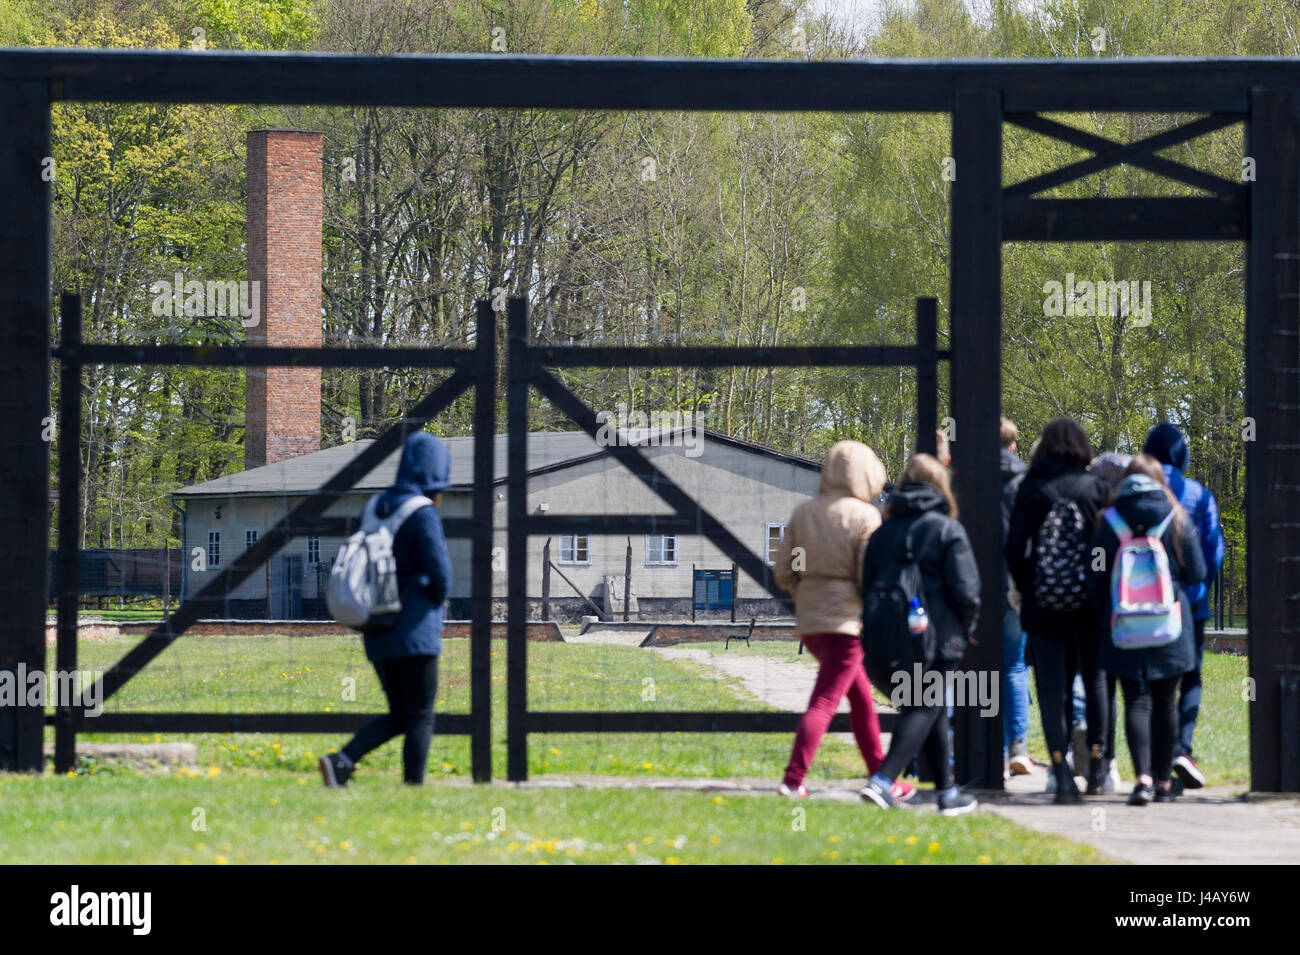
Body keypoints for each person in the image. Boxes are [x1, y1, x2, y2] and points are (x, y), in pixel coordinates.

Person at [776, 441, 913, 801]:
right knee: (824, 702)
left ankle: (882, 777)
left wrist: (808, 591)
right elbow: (867, 575)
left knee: (862, 700)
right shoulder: (865, 516)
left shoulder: (804, 513)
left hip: (811, 621)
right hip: (847, 623)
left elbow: (787, 570)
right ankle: (793, 779)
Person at [320, 432, 454, 787]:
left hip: (376, 627)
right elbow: (441, 575)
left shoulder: (375, 506)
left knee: (400, 714)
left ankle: (341, 762)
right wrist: (433, 595)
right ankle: (413, 787)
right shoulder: (422, 511)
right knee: (421, 715)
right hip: (415, 632)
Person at [858, 454, 981, 816]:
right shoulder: (947, 529)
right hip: (937, 638)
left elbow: (865, 586)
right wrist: (963, 629)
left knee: (930, 709)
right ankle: (882, 781)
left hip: (883, 641)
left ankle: (947, 793)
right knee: (924, 704)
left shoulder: (881, 532)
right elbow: (967, 592)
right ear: (941, 485)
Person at [1088, 455, 1206, 805]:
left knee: (1135, 700)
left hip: (1123, 623)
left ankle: (1141, 778)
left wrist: (1106, 610)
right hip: (1169, 624)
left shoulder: (1108, 520)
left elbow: (1094, 575)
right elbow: (1197, 572)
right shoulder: (1176, 517)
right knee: (1166, 702)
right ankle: (1163, 784)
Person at [1006, 418, 1110, 802]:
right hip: (1090, 606)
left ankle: (1061, 770)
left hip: (1044, 606)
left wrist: (1031, 585)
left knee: (1053, 689)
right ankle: (1097, 763)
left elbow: (1014, 550)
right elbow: (1106, 548)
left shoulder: (1032, 488)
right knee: (1096, 682)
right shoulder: (1098, 487)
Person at [1141, 423, 1224, 789]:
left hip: (1141, 606)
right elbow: (1214, 551)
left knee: (1148, 684)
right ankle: (1181, 748)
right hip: (1191, 604)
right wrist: (1199, 584)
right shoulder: (1199, 496)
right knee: (1190, 676)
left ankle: (1147, 768)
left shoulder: (1137, 491)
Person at [999, 417, 1032, 776]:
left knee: (974, 665)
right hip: (1015, 584)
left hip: (976, 583)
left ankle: (982, 743)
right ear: (1012, 446)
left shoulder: (968, 479)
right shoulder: (1025, 481)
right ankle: (1017, 746)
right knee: (1014, 664)